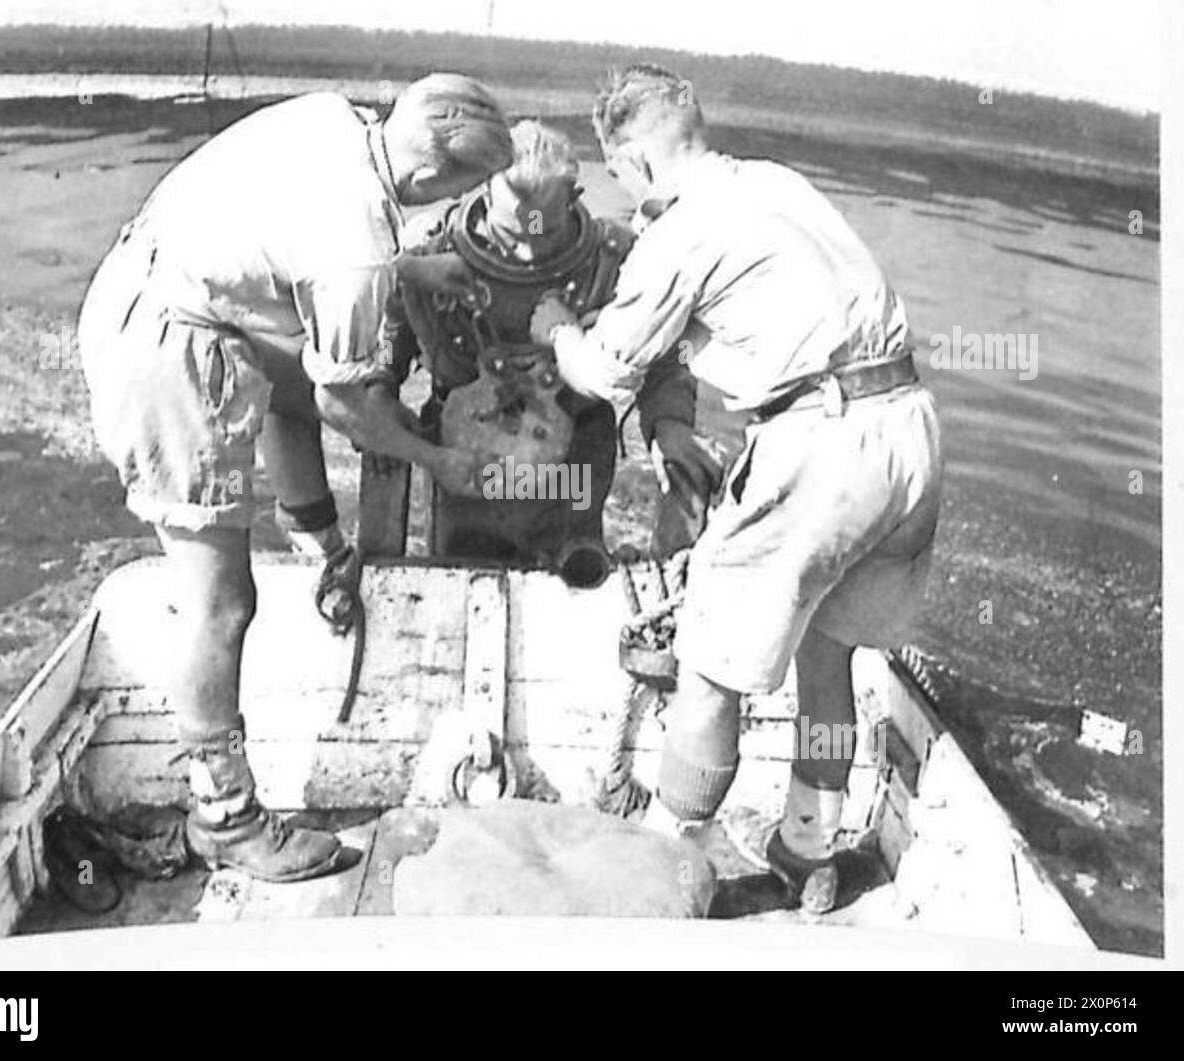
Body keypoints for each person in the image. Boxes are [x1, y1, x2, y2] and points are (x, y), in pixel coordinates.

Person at [78, 75, 513, 882]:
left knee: (297, 364)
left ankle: (318, 541)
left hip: (152, 285)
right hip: (169, 356)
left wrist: (412, 273)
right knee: (222, 602)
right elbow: (345, 405)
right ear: (434, 183)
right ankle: (225, 817)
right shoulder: (360, 248)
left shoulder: (334, 118)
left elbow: (286, 247)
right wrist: (441, 460)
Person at [530, 65, 942, 913]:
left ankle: (666, 872)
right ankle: (809, 847)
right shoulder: (774, 183)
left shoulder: (681, 234)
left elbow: (606, 374)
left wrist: (556, 327)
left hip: (823, 444)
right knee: (830, 652)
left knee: (709, 669)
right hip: (910, 431)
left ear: (635, 163)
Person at [385, 119, 712, 571]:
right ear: (480, 190)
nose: (525, 252)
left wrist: (671, 425)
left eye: (541, 233)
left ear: (574, 198)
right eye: (510, 234)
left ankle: (576, 552)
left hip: (572, 472)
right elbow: (386, 346)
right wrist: (384, 410)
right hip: (468, 471)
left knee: (574, 578)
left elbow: (667, 360)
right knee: (466, 578)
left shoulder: (618, 262)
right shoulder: (426, 254)